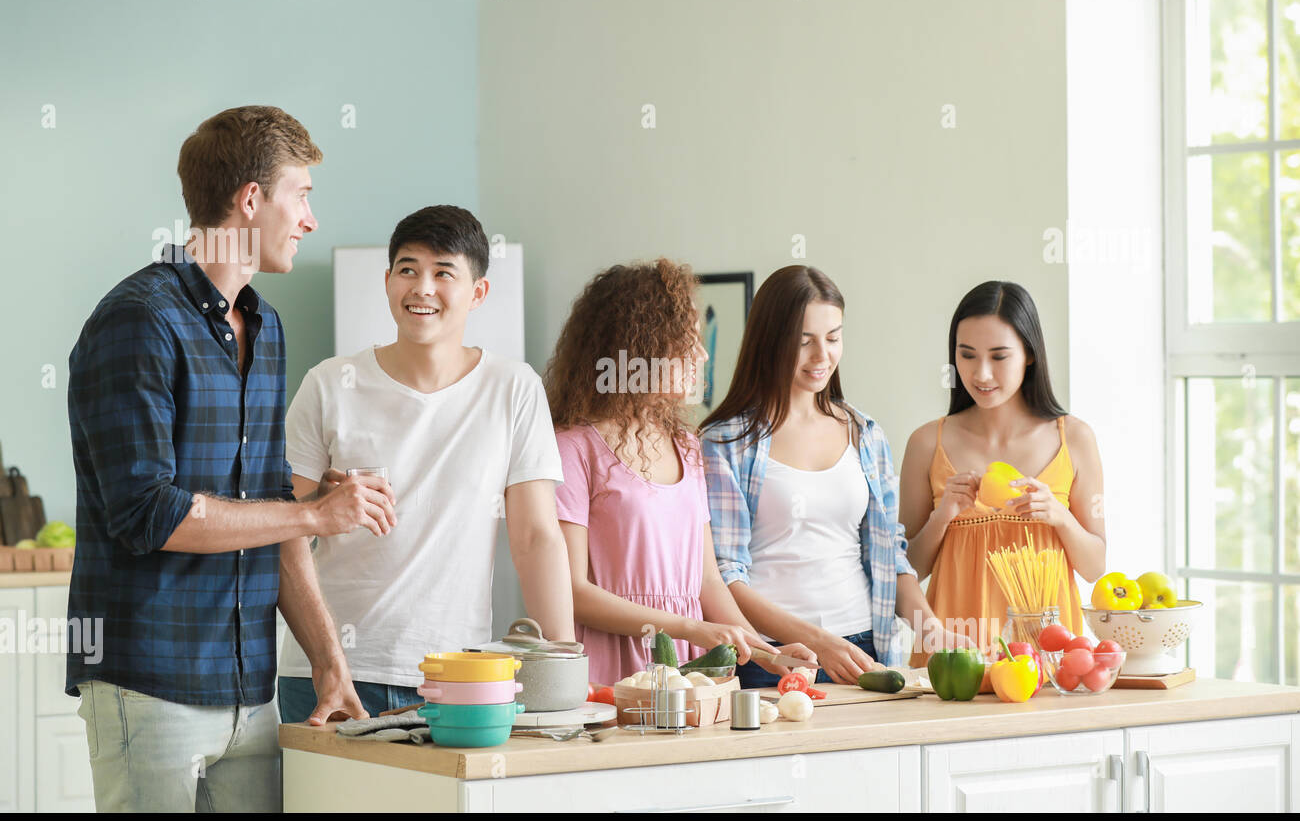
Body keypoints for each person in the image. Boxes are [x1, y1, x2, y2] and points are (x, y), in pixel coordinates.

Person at [66, 106, 385, 812]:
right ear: (250, 199)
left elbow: (272, 516)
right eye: (301, 195)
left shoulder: (264, 327)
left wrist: (330, 665)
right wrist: (309, 512)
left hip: (250, 691)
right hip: (149, 683)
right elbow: (148, 513)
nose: (310, 218)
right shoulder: (138, 320)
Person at [276, 205, 575, 721]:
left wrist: (563, 663)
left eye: (444, 273)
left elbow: (536, 538)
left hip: (458, 678)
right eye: (408, 270)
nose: (422, 288)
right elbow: (286, 530)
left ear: (478, 292)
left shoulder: (513, 388)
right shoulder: (329, 383)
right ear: (388, 280)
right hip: (330, 672)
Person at [545, 259, 813, 684]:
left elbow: (708, 582)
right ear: (640, 349)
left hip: (690, 671)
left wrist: (767, 653)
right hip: (610, 669)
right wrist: (689, 628)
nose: (702, 355)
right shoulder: (572, 449)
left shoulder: (688, 447)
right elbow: (571, 592)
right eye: (687, 342)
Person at [700, 265, 968, 688]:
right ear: (769, 341)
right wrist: (816, 641)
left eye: (833, 337)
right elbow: (722, 574)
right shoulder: (725, 443)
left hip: (864, 648)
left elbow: (888, 551)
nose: (821, 356)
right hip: (770, 657)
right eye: (803, 341)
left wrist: (927, 624)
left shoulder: (865, 434)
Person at [900, 280, 1106, 665]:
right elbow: (906, 570)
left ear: (1028, 354)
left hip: (1049, 659)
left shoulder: (1074, 438)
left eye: (999, 356)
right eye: (967, 355)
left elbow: (1095, 567)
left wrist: (1059, 516)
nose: (981, 374)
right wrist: (943, 515)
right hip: (954, 660)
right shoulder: (927, 443)